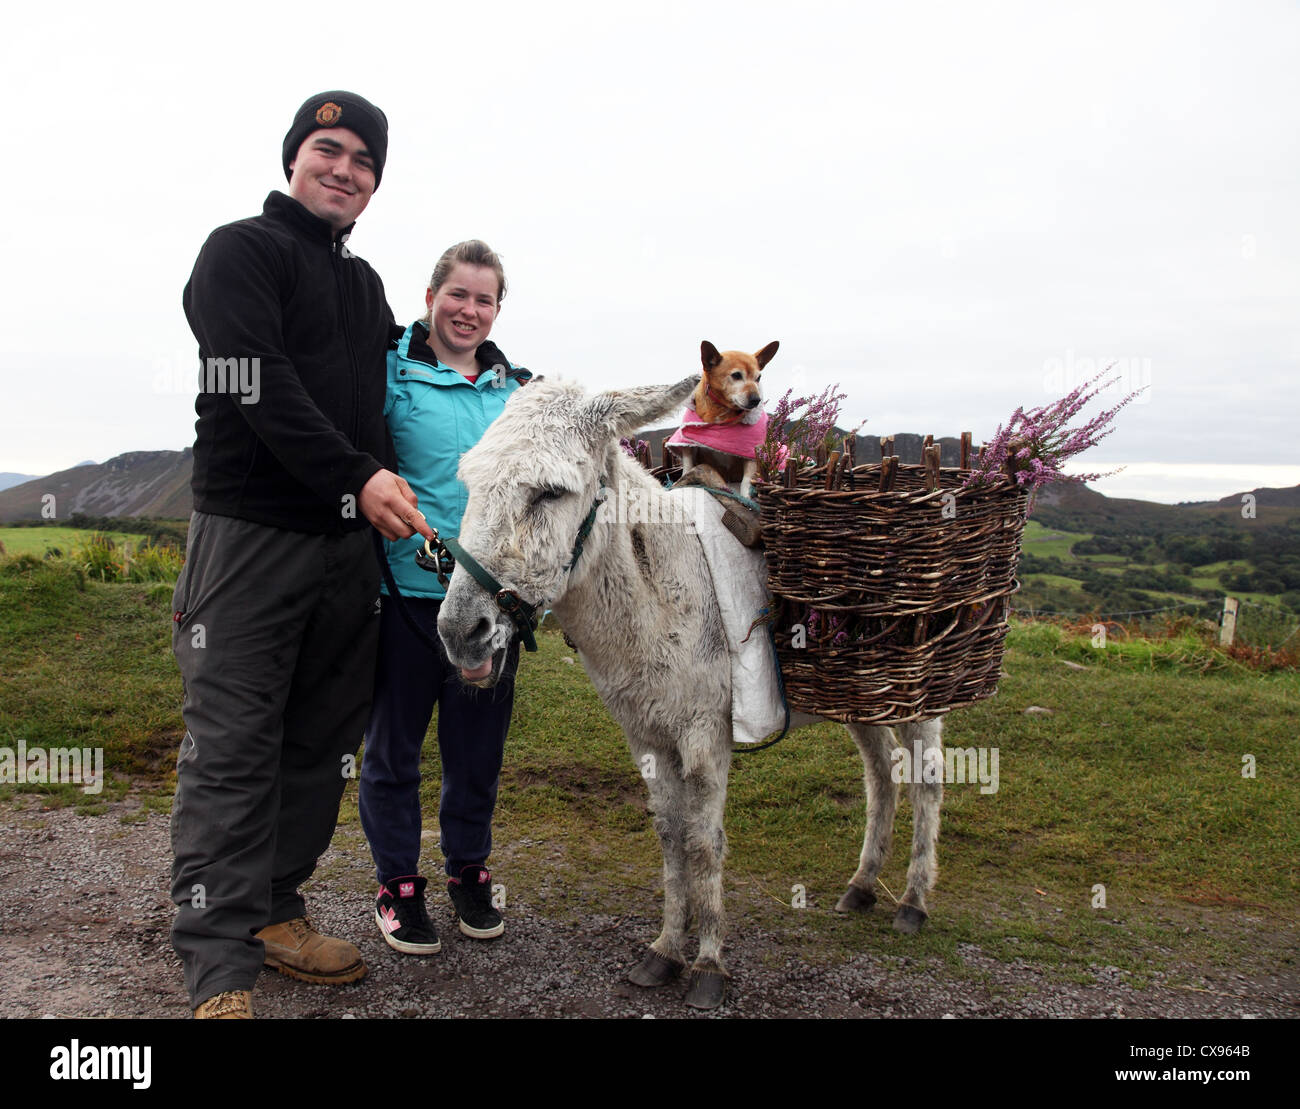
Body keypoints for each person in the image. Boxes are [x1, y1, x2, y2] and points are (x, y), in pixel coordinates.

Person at [172, 90, 435, 1020]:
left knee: (318, 745)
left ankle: (276, 914)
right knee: (233, 748)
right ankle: (218, 969)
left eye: (365, 162)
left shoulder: (363, 286)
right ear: (295, 158)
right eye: (329, 149)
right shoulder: (239, 251)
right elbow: (256, 385)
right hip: (249, 541)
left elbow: (397, 389)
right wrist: (358, 475)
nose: (345, 169)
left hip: (344, 554)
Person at [359, 240, 529, 955]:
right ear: (431, 297)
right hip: (405, 594)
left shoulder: (515, 393)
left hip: (490, 609)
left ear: (497, 311)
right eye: (457, 294)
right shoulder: (389, 372)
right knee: (394, 749)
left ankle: (469, 871)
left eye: (484, 299)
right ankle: (398, 884)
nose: (469, 309)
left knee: (476, 750)